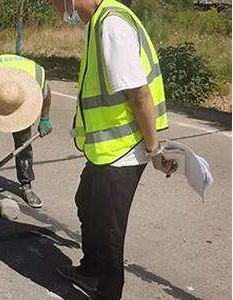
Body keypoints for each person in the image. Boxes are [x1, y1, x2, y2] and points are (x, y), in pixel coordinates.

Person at [47, 0, 178, 299]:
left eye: (51, 1)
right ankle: (91, 270)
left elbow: (139, 94)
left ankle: (107, 292)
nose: (51, 7)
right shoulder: (98, 22)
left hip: (123, 149)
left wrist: (154, 150)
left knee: (108, 230)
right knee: (87, 204)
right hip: (105, 149)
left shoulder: (112, 24)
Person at [0, 54, 53, 209]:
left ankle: (26, 185)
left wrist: (45, 118)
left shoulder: (36, 76)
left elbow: (47, 94)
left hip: (20, 95)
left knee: (24, 142)